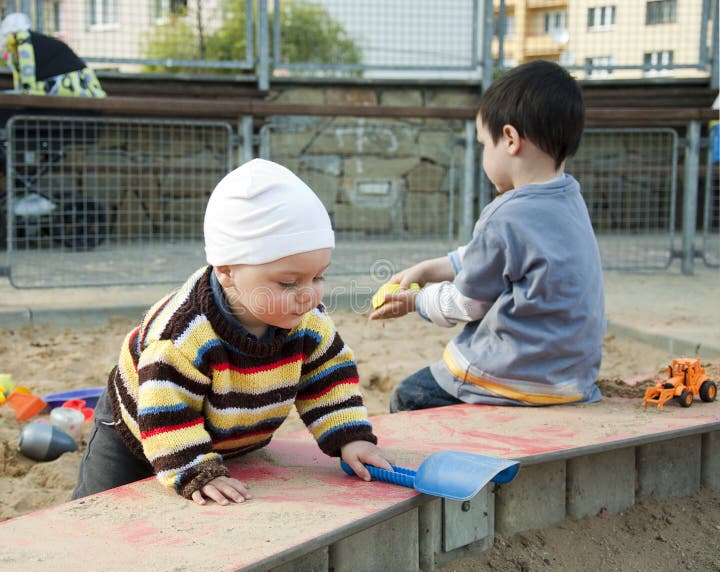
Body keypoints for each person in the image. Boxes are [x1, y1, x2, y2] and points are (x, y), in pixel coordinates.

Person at [72, 158, 392, 505]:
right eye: (288, 282)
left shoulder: (306, 320)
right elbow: (167, 409)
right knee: (98, 506)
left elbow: (328, 379)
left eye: (318, 277)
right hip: (137, 426)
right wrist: (196, 469)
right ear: (226, 271)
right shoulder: (182, 336)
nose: (308, 294)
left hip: (224, 435)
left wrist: (350, 437)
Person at [371, 60, 605, 412]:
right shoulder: (569, 198)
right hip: (571, 378)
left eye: (484, 144)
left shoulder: (504, 214)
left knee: (408, 397)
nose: (483, 154)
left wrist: (416, 301)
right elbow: (499, 258)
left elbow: (466, 304)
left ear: (509, 139)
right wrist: (428, 269)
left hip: (510, 374)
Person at [0, 13, 106, 97]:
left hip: (74, 88)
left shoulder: (25, 41)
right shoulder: (42, 44)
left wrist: (27, 90)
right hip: (87, 89)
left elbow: (27, 80)